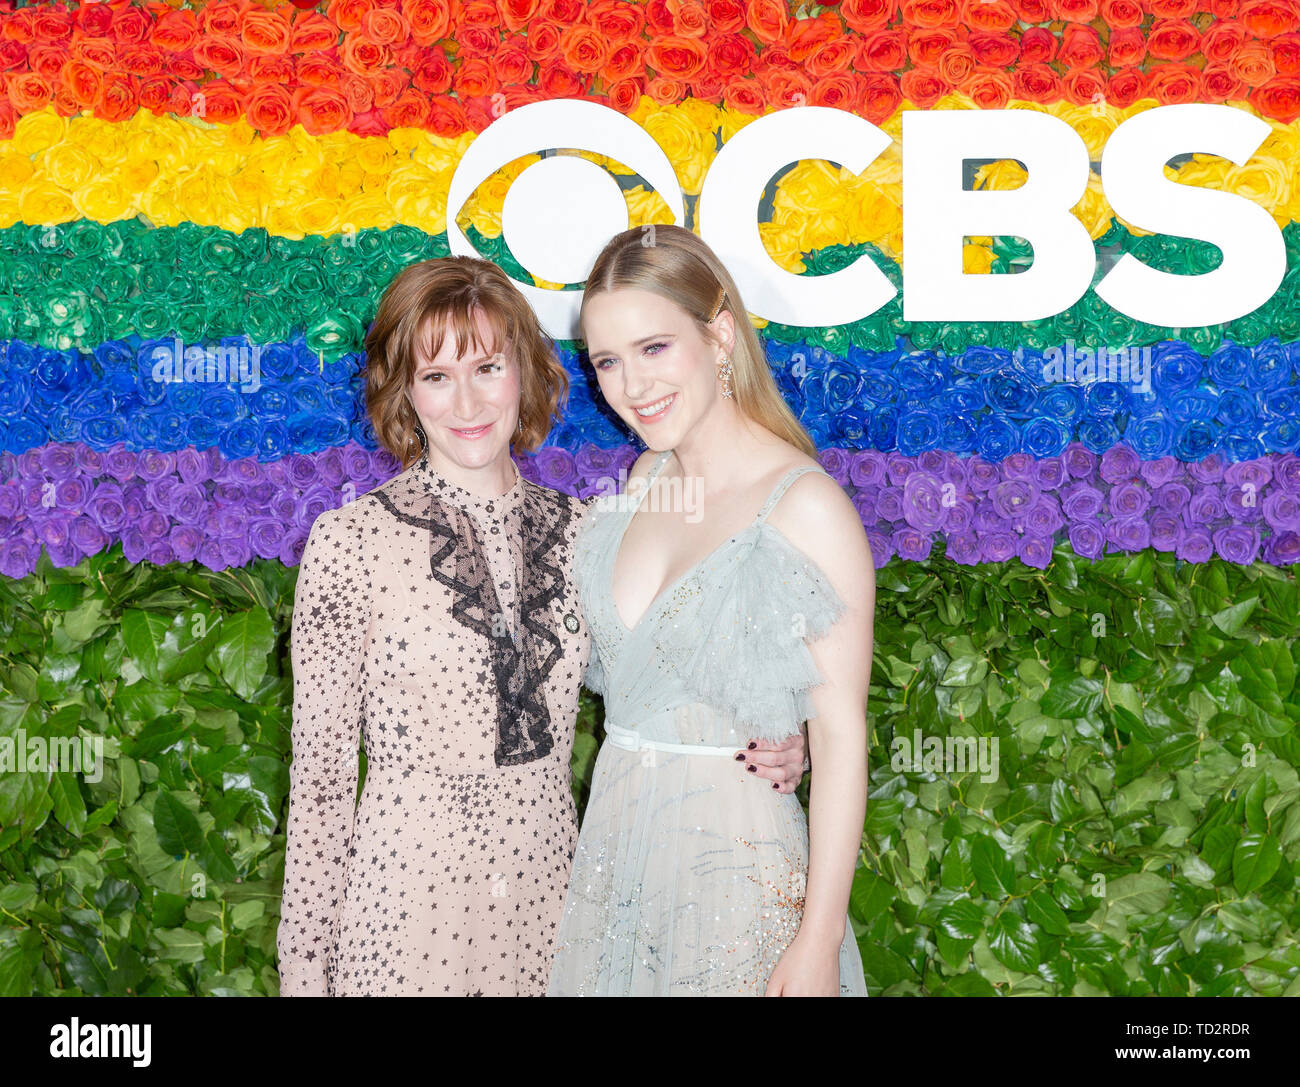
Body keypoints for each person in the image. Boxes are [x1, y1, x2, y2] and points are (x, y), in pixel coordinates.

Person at [276, 255, 808, 996]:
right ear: (404, 390)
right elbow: (322, 783)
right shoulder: (349, 543)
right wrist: (302, 978)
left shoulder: (587, 533)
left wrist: (782, 733)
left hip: (557, 914)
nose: (466, 400)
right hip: (401, 925)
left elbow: (679, 669)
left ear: (524, 369)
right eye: (435, 376)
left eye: (488, 366)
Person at [546, 225, 875, 996]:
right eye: (608, 361)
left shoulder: (807, 506)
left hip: (742, 881)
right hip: (616, 866)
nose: (632, 386)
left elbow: (841, 739)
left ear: (719, 333)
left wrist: (818, 938)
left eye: (654, 348)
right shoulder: (643, 478)